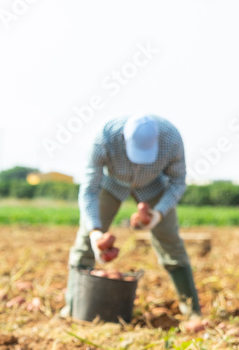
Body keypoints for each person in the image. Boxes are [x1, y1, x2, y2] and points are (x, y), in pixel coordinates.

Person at [64, 114, 202, 318]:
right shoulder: (104, 139)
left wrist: (158, 214)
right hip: (112, 184)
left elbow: (177, 182)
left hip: (154, 186)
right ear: (123, 139)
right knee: (85, 242)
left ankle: (191, 311)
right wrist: (95, 231)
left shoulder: (171, 139)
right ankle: (72, 309)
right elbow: (89, 190)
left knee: (171, 242)